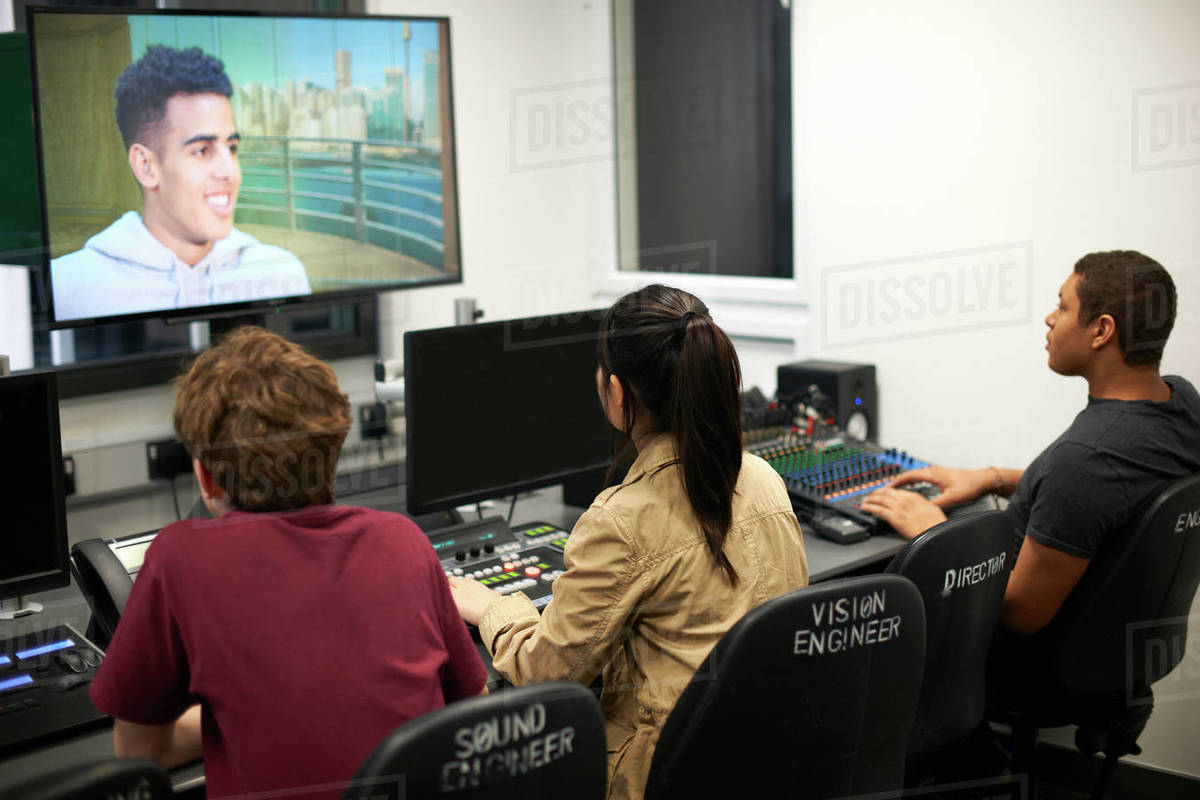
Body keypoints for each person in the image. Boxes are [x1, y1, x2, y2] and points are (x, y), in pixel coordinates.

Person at [90, 327, 485, 799]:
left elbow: (139, 750)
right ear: (331, 456)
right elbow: (469, 706)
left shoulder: (179, 558)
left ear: (205, 476)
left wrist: (232, 711)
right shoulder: (401, 539)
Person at [449, 284, 810, 800]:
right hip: (765, 763)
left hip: (660, 776)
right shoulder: (762, 478)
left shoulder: (621, 519)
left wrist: (491, 608)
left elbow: (546, 672)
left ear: (618, 395)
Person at [861, 250, 1200, 636]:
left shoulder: (1083, 462)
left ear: (1101, 330)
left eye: (1063, 306)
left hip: (1025, 687)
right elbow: (1112, 497)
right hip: (1112, 664)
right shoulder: (1183, 403)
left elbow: (1018, 613)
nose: (1050, 318)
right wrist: (993, 479)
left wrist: (934, 531)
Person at [51, 46, 310, 321]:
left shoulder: (282, 273)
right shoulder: (68, 287)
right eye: (202, 150)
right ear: (146, 166)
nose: (230, 172)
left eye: (231, 147)